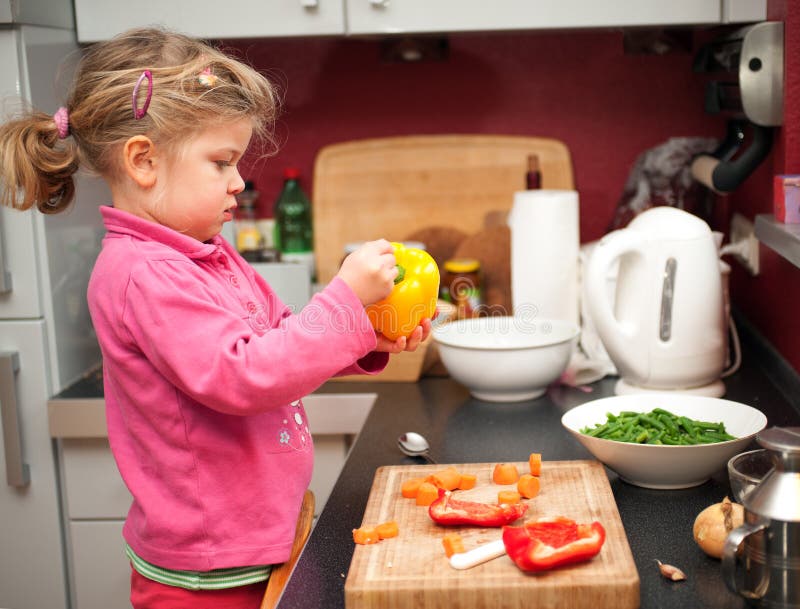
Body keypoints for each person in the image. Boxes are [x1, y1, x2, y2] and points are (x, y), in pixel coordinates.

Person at [0, 28, 431, 608]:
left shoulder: (206, 252)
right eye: (221, 162)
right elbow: (244, 375)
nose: (239, 181)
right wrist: (343, 300)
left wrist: (365, 334)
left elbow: (280, 343)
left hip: (254, 544)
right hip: (208, 573)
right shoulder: (142, 273)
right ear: (144, 161)